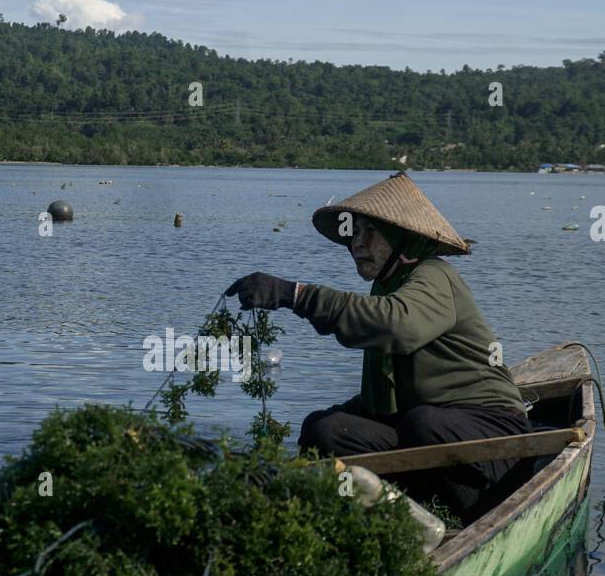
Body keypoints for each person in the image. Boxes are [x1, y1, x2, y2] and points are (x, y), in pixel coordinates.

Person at [225, 171, 531, 523]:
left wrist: (295, 295)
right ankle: (401, 520)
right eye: (353, 234)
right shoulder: (387, 287)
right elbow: (384, 399)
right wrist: (338, 418)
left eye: (370, 232)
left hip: (494, 433)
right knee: (323, 428)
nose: (357, 244)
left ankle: (471, 519)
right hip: (426, 428)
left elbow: (397, 325)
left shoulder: (434, 276)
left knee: (423, 421)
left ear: (402, 237)